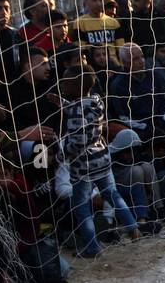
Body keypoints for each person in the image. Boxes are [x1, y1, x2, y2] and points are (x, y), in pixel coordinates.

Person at [59, 65, 139, 257]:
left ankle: (92, 248)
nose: (62, 85)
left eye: (65, 83)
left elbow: (78, 139)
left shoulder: (76, 110)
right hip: (101, 158)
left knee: (81, 206)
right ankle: (132, 226)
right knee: (112, 193)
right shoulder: (95, 101)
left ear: (73, 86)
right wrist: (64, 104)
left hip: (84, 165)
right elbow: (83, 113)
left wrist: (63, 152)